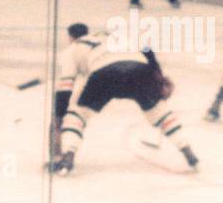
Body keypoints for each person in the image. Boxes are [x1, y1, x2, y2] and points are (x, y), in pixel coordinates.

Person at [50, 22, 197, 176]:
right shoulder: (111, 36)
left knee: (78, 115)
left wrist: (60, 115)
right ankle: (187, 150)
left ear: (71, 37)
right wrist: (159, 77)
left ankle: (68, 156)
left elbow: (66, 87)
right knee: (159, 111)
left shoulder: (72, 49)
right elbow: (146, 49)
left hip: (105, 72)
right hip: (139, 68)